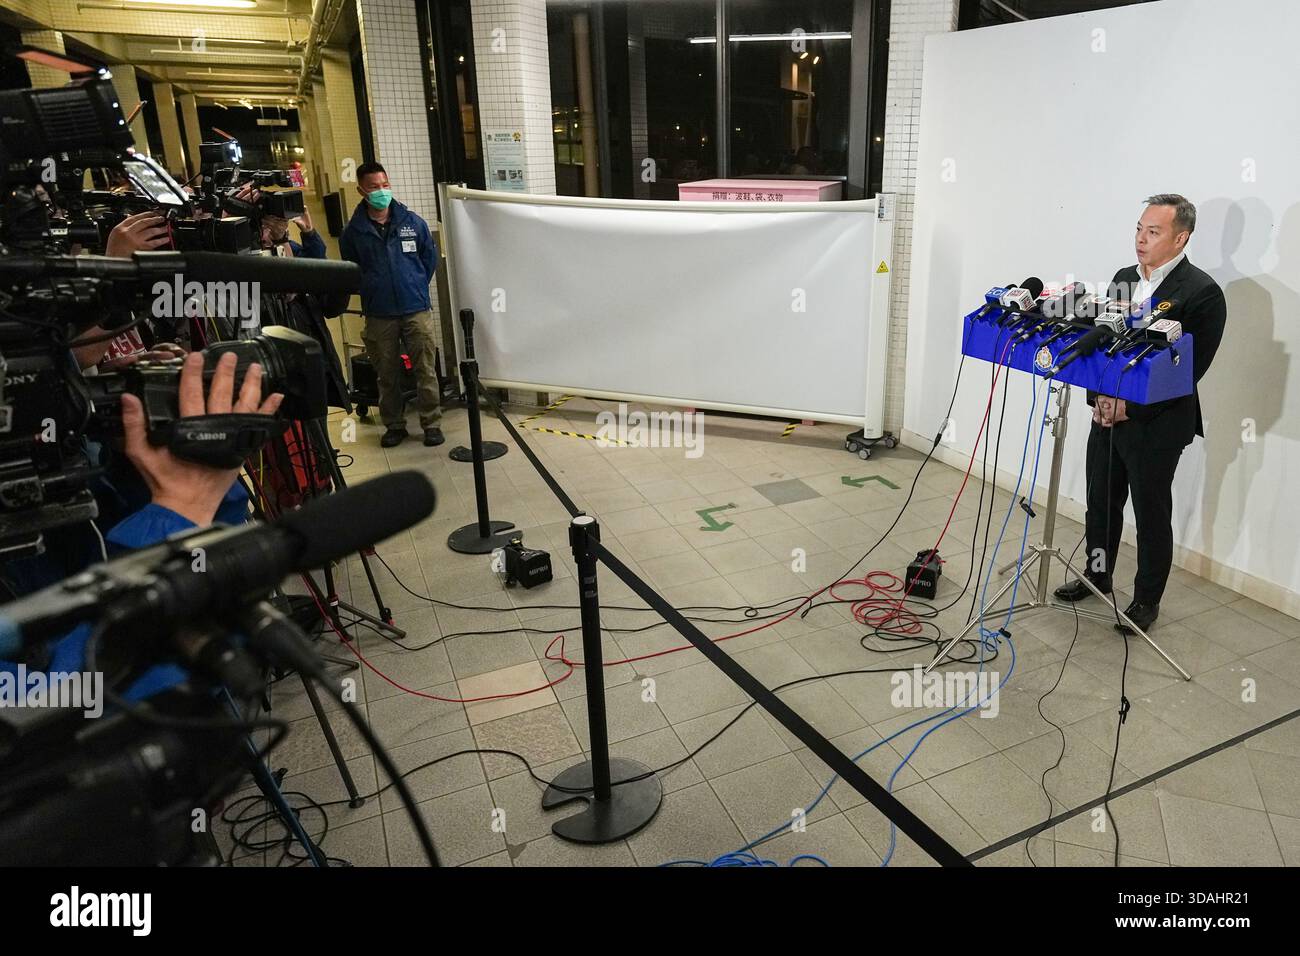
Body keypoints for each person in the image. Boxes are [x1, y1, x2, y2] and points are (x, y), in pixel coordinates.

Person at [1054, 194, 1227, 634]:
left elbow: (1187, 371)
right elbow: (1102, 347)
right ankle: (1098, 574)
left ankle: (1146, 601)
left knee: (1150, 515)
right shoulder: (1122, 279)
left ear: (1181, 237)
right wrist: (1101, 401)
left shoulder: (1202, 293)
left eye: (1153, 232)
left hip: (1157, 425)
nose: (1141, 240)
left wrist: (1128, 405)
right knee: (1100, 503)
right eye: (1138, 229)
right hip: (1107, 416)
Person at [338, 162, 444, 448]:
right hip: (379, 312)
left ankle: (431, 423)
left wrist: (416, 285)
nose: (382, 191)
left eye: (385, 185)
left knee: (425, 368)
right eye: (374, 187)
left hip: (415, 308)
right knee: (387, 373)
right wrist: (373, 290)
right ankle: (394, 425)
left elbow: (428, 259)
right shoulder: (354, 232)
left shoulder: (412, 222)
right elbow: (352, 270)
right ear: (361, 190)